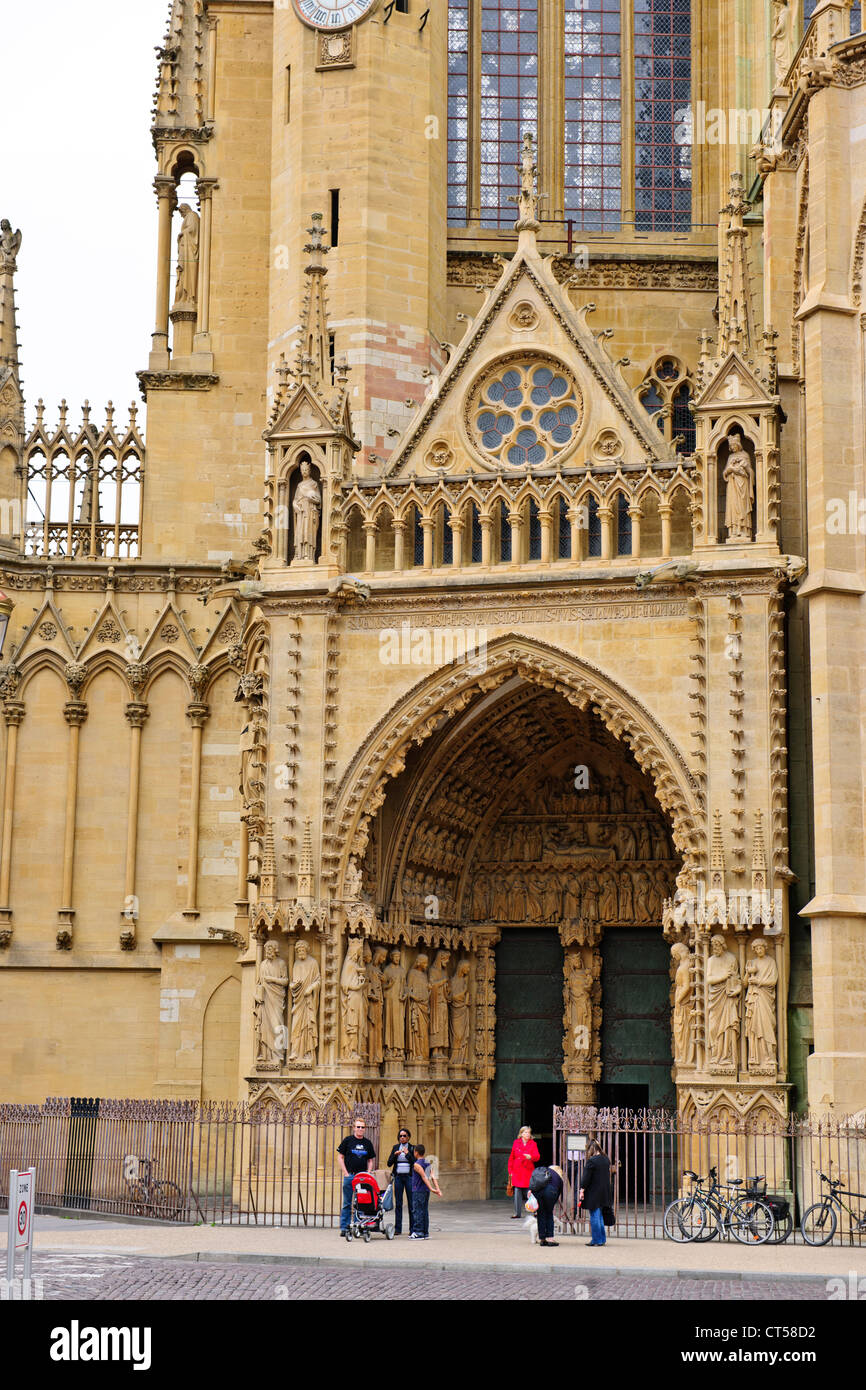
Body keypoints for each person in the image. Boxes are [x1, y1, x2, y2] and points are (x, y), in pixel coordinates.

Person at [336, 1116, 376, 1237]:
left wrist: (368, 1173)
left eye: (362, 1127)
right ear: (354, 1128)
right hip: (350, 1176)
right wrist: (346, 1173)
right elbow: (340, 1157)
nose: (360, 1129)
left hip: (362, 1178)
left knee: (362, 1202)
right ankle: (345, 1227)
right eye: (358, 1127)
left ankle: (360, 1225)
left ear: (365, 1129)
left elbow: (370, 1160)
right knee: (347, 1203)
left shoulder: (367, 1143)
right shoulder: (348, 1140)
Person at [579, 1139, 613, 1247]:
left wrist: (582, 1190)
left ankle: (596, 1240)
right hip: (605, 1191)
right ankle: (602, 1239)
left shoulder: (591, 1161)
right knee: (600, 1216)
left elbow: (586, 1178)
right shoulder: (606, 1159)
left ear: (591, 1149)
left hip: (594, 1192)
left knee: (594, 1216)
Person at [386, 1126, 417, 1236]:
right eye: (400, 1136)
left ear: (408, 1137)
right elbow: (389, 1163)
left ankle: (412, 1228)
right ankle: (398, 1228)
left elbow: (415, 1162)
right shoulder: (395, 1147)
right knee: (398, 1203)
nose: (402, 1138)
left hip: (409, 1177)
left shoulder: (412, 1148)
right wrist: (395, 1156)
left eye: (404, 1136)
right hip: (398, 1177)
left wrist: (408, 1154)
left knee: (411, 1203)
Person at [409, 1144, 442, 1240]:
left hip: (418, 1190)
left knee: (417, 1210)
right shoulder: (428, 1163)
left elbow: (424, 1177)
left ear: (416, 1152)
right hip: (425, 1191)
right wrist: (437, 1188)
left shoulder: (416, 1164)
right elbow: (433, 1176)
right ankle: (425, 1232)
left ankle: (418, 1232)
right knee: (424, 1211)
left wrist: (432, 1189)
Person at [507, 1125, 540, 1218]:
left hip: (528, 1171)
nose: (527, 1134)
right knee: (517, 1192)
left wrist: (531, 1157)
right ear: (521, 1134)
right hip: (517, 1171)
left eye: (529, 1133)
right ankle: (517, 1213)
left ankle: (536, 1211)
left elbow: (537, 1156)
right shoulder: (516, 1143)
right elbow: (511, 1158)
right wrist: (510, 1171)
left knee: (530, 1192)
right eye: (525, 1132)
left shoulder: (533, 1144)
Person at [533, 1162, 564, 1248]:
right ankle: (550, 1239)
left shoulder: (542, 1171)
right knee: (549, 1214)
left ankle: (542, 1239)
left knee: (541, 1214)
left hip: (537, 1192)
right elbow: (559, 1193)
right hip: (550, 1192)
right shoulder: (558, 1177)